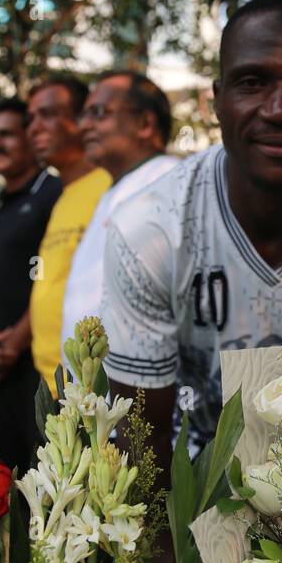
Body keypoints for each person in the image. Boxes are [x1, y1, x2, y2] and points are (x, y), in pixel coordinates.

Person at [102, 0, 282, 563]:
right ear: (216, 100)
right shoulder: (151, 231)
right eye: (253, 81)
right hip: (195, 510)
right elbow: (141, 441)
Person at [0, 98, 62, 475]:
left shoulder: (52, 193)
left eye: (6, 134)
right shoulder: (2, 204)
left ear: (32, 137)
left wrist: (11, 343)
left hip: (33, 377)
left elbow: (54, 278)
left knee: (34, 490)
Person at [60, 70, 178, 359]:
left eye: (99, 113)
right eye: (83, 116)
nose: (84, 126)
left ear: (145, 124)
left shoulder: (169, 182)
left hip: (144, 394)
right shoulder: (116, 188)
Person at [27, 76, 111, 389]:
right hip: (52, 387)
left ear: (82, 120)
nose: (34, 128)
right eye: (31, 118)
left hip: (93, 390)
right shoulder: (63, 196)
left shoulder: (110, 187)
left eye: (47, 114)